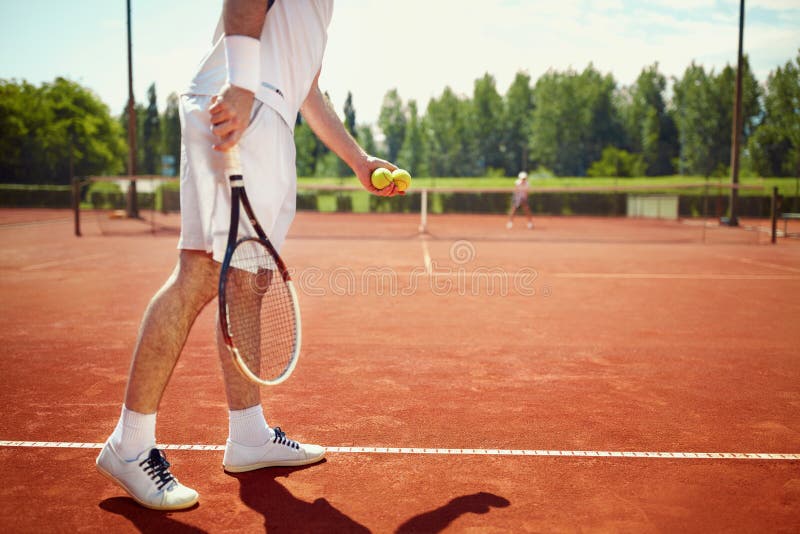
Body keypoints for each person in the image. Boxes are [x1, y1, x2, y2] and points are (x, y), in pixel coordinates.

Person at [96, 0, 402, 511]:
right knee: (201, 271)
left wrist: (358, 160)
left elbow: (307, 86)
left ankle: (248, 436)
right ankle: (129, 445)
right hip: (243, 102)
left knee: (248, 280)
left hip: (269, 110)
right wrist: (240, 85)